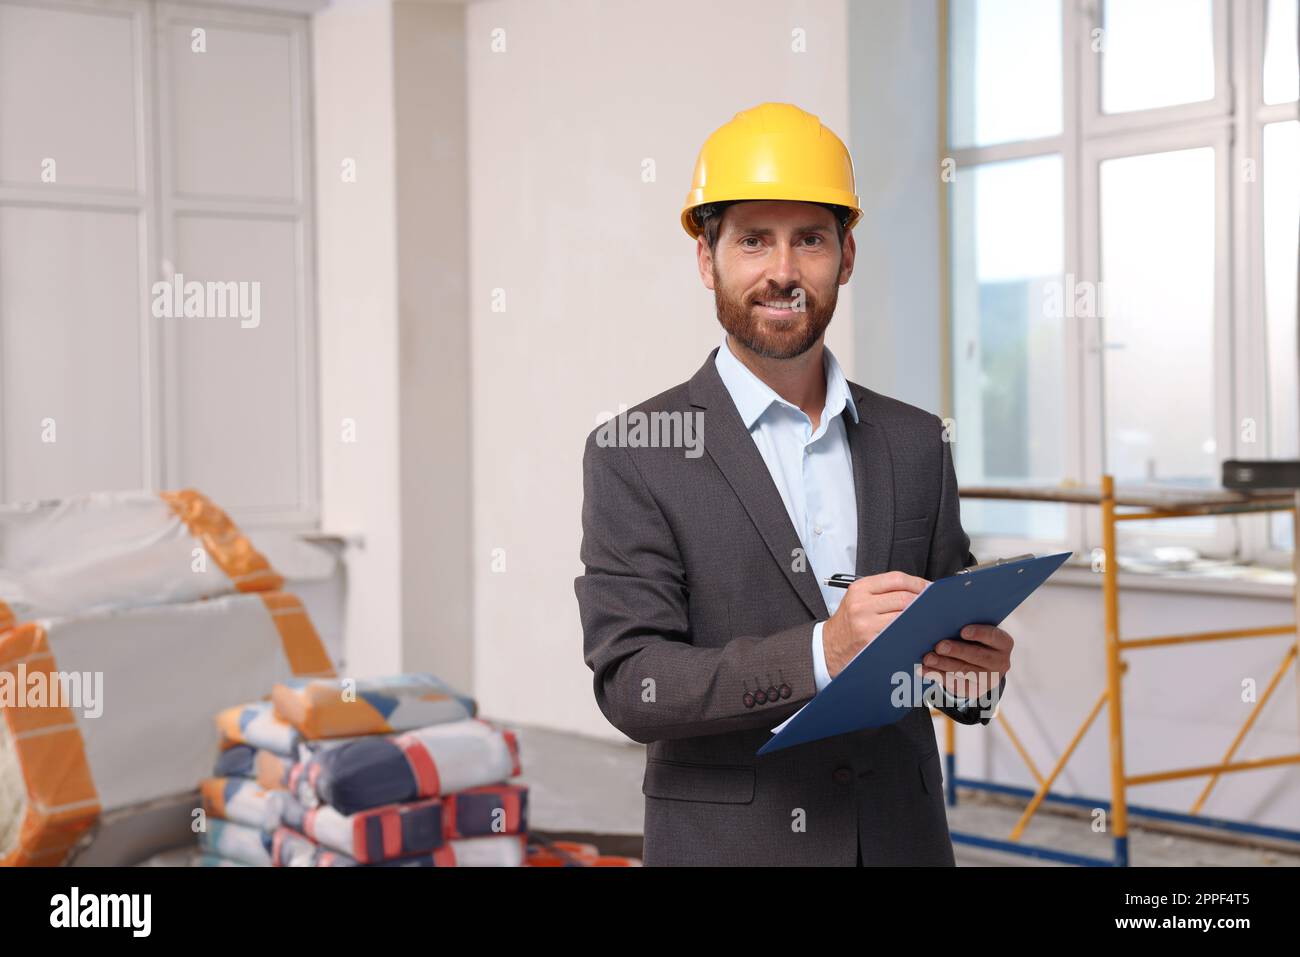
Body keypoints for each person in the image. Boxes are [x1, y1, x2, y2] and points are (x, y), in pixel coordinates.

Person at [575, 103, 1011, 866]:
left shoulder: (915, 441)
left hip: (901, 842)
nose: (783, 270)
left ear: (845, 256)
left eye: (809, 238)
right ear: (708, 261)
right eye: (753, 240)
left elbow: (938, 655)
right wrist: (822, 649)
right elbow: (633, 682)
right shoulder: (633, 453)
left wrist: (971, 680)